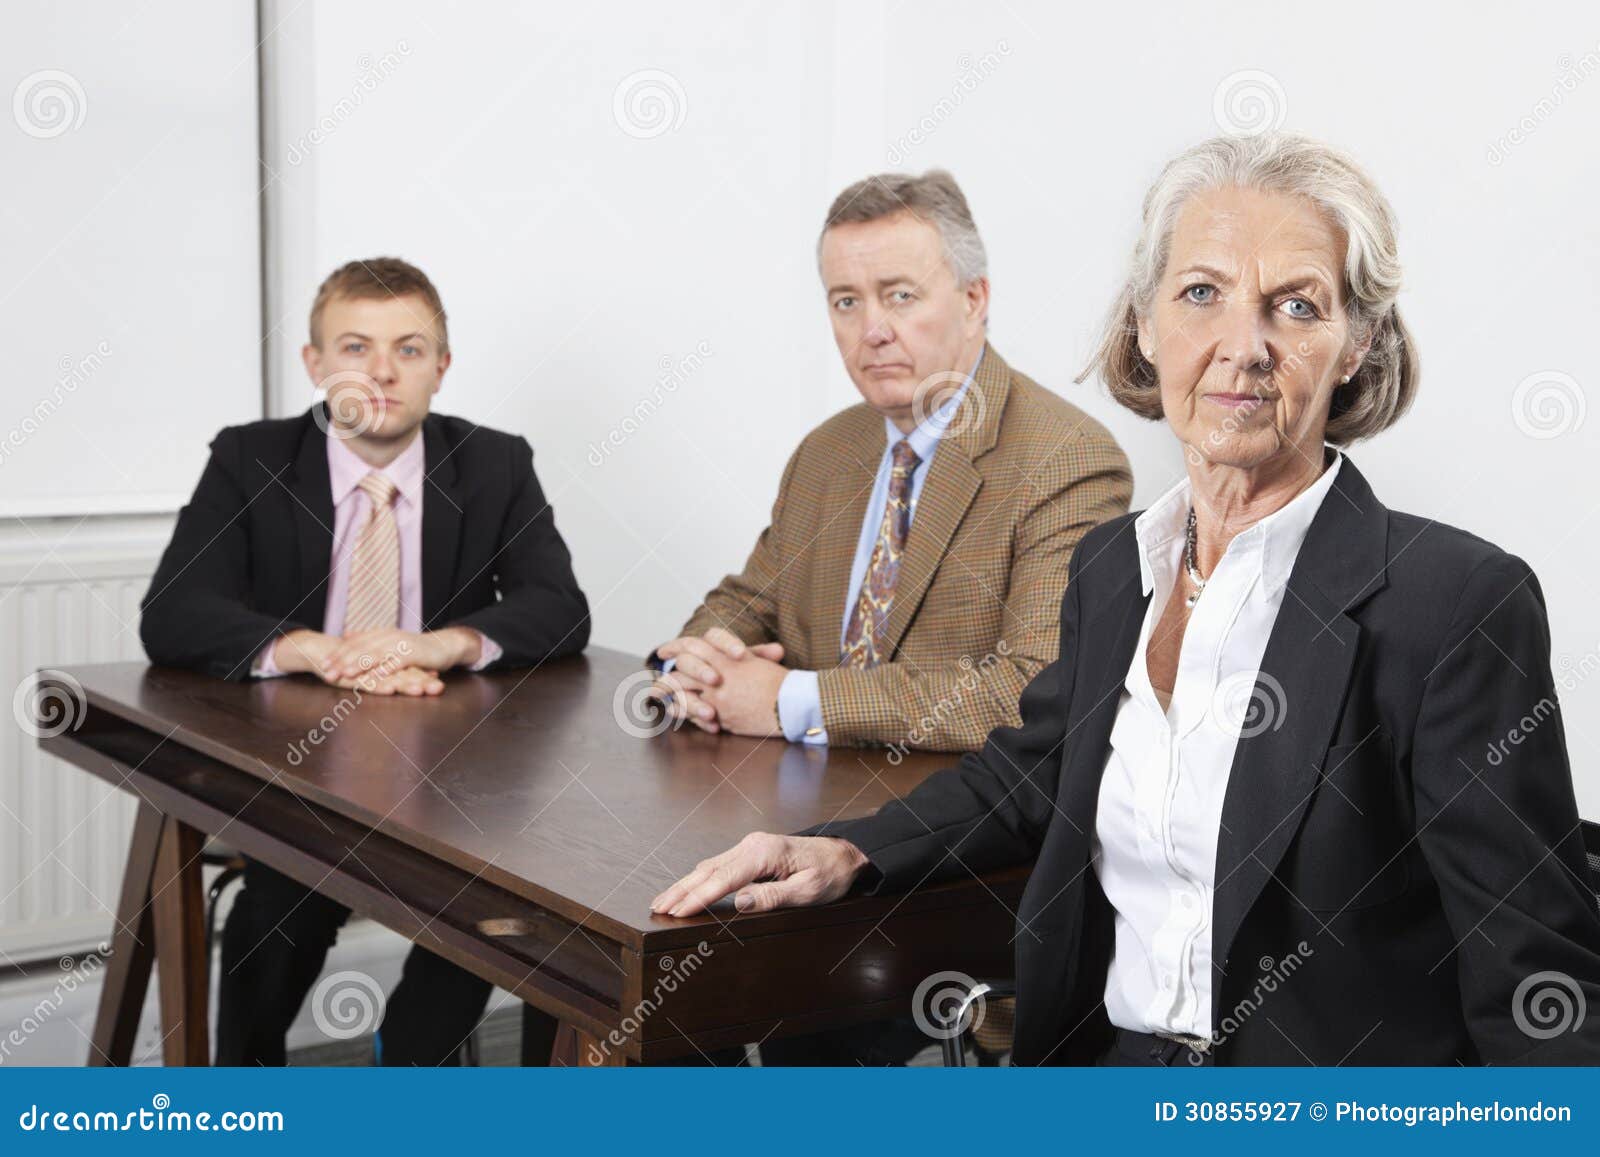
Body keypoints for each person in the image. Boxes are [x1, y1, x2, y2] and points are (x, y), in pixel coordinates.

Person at [650, 134, 1600, 1066]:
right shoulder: (1116, 566)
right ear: (1145, 327)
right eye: (1200, 294)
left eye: (1296, 306)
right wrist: (846, 852)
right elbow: (1029, 775)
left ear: (1354, 346)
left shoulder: (1458, 605)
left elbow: (1533, 979)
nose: (1244, 347)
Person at [140, 257, 590, 1065]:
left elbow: (560, 606)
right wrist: (307, 648)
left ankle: (410, 1058)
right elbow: (174, 610)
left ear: (441, 368)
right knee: (284, 891)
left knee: (502, 891)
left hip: (450, 766)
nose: (382, 371)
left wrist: (441, 642)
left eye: (410, 349)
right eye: (356, 347)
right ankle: (245, 1086)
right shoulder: (250, 459)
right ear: (316, 365)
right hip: (297, 760)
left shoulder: (495, 463)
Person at [649, 169, 1131, 756]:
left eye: (900, 294)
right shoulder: (827, 450)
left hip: (947, 829)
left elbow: (1032, 690)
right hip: (788, 804)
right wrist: (693, 667)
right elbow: (750, 602)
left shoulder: (1066, 457)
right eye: (846, 301)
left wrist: (790, 701)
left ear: (973, 299)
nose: (871, 330)